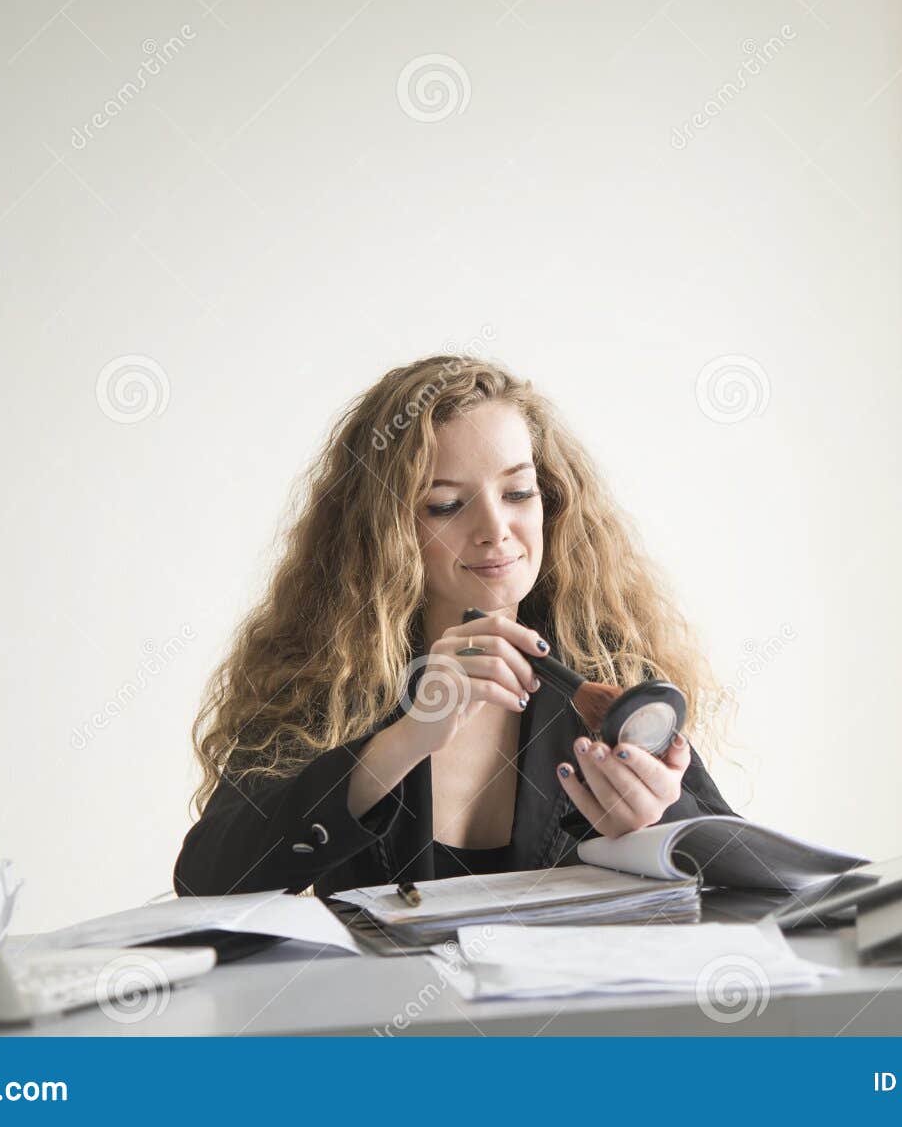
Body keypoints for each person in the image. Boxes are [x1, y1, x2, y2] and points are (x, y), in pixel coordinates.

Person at [174, 355, 736, 899]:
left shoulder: (609, 674)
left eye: (518, 493)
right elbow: (208, 881)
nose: (495, 529)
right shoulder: (327, 681)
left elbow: (752, 881)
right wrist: (404, 741)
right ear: (384, 530)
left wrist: (659, 825)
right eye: (444, 505)